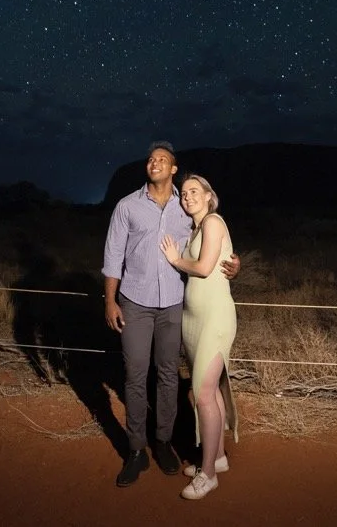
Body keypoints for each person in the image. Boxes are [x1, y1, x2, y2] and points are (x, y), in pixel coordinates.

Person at [102, 142, 239, 488]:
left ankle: (163, 442)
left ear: (173, 168)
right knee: (135, 375)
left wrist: (234, 263)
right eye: (151, 158)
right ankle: (136, 449)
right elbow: (113, 255)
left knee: (168, 375)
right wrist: (110, 301)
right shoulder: (127, 206)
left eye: (162, 159)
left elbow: (212, 244)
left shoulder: (185, 207)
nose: (155, 162)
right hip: (135, 302)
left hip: (174, 305)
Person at [160, 173, 239, 500]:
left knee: (203, 394)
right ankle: (217, 457)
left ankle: (208, 475)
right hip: (194, 319)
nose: (188, 196)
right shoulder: (196, 229)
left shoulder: (213, 222)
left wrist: (176, 260)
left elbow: (205, 268)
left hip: (215, 318)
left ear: (209, 196)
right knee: (211, 391)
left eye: (194, 191)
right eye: (184, 193)